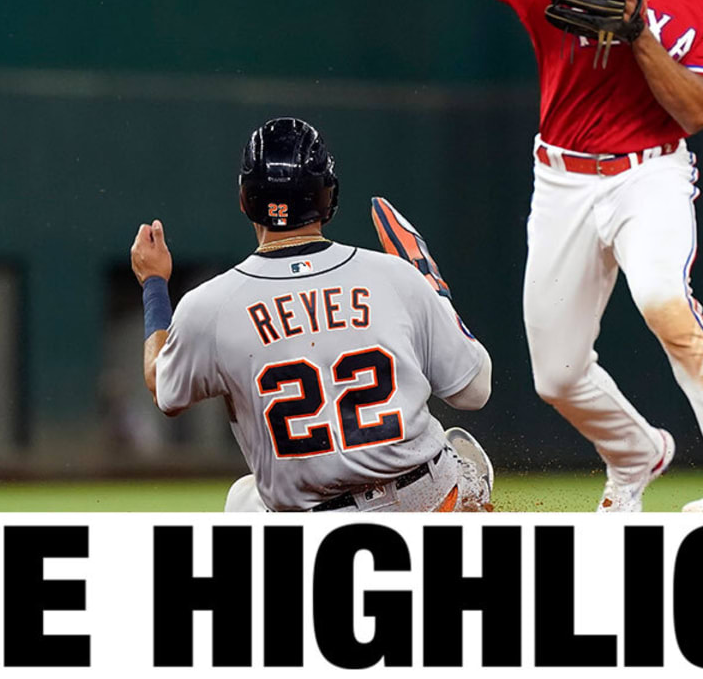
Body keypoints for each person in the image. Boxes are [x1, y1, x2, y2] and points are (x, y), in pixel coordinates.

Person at [281, 0, 703, 512]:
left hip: (650, 174)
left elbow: (696, 111)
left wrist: (640, 32)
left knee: (664, 298)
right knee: (558, 376)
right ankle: (635, 451)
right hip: (563, 179)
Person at [130, 117, 496, 512]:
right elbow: (474, 391)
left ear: (244, 199)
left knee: (243, 501)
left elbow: (162, 388)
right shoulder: (393, 276)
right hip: (424, 496)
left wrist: (154, 284)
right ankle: (463, 495)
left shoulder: (210, 306)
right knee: (451, 448)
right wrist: (435, 290)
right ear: (329, 197)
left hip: (316, 519)